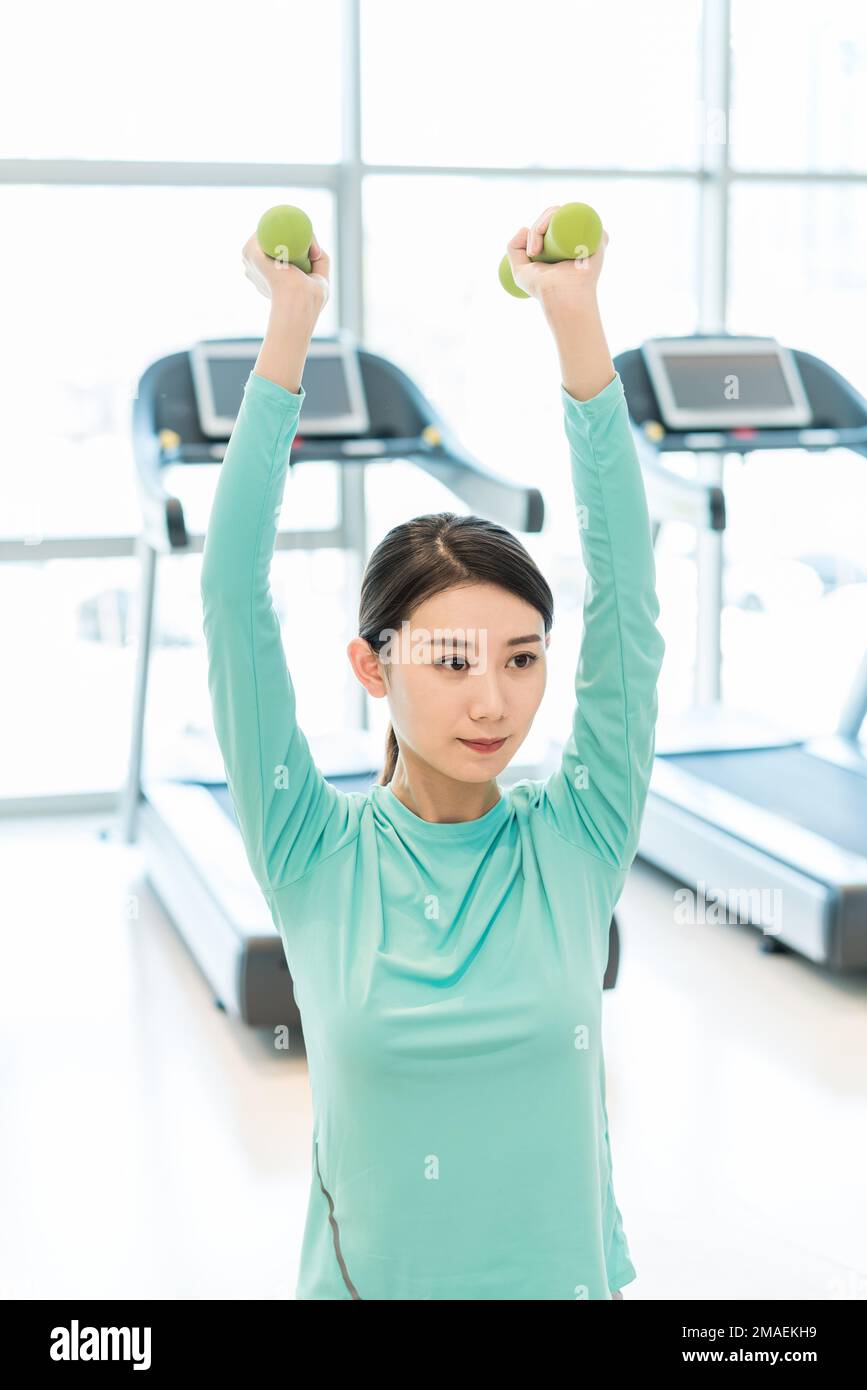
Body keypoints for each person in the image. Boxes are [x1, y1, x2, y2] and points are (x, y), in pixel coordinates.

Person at [200, 207, 665, 1300]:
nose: (493, 699)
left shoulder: (579, 835)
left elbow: (630, 593)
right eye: (451, 661)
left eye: (521, 659)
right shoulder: (311, 851)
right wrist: (290, 331)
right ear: (373, 667)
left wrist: (576, 319)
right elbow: (230, 597)